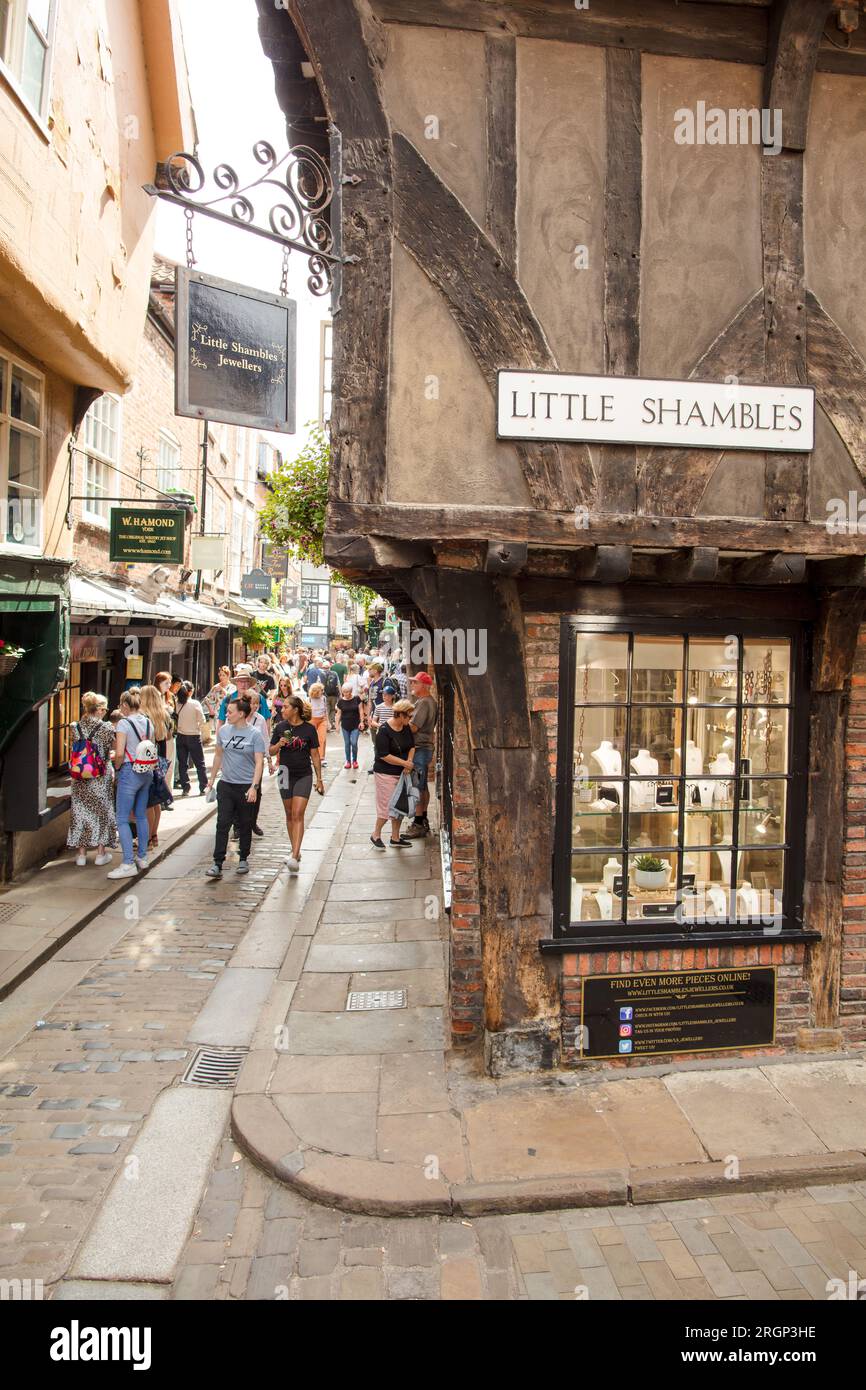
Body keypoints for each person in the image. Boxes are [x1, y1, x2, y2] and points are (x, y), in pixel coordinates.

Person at [205, 695, 265, 878]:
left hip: (246, 786)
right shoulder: (223, 731)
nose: (226, 714)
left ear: (241, 714)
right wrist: (211, 779)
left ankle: (243, 859)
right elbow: (218, 755)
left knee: (245, 824)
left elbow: (259, 762)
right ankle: (217, 863)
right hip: (227, 785)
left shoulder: (255, 734)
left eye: (230, 712)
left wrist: (254, 787)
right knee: (222, 823)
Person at [270, 693, 324, 873]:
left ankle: (294, 854)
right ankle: (296, 849)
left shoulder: (309, 729)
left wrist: (319, 779)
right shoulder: (280, 727)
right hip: (284, 773)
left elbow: (315, 755)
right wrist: (279, 744)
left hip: (303, 774)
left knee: (298, 812)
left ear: (295, 710)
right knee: (288, 814)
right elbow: (270, 751)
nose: (282, 709)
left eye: (285, 707)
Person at [107, 688, 154, 879]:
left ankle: (127, 863)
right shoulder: (148, 721)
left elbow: (119, 753)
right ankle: (142, 857)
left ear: (125, 706)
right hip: (147, 772)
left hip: (129, 771)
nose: (120, 709)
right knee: (141, 815)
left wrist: (117, 769)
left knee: (122, 818)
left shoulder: (123, 724)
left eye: (120, 705)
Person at [67, 691, 117, 868]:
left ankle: (81, 854)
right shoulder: (107, 728)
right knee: (101, 812)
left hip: (80, 775)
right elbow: (112, 749)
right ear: (100, 710)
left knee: (80, 812)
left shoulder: (75, 726)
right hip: (99, 776)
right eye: (104, 709)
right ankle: (100, 853)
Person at [371, 698, 415, 850]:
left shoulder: (406, 727)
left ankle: (395, 838)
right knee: (387, 806)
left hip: (402, 773)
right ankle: (376, 834)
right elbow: (383, 755)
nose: (410, 719)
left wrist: (409, 761)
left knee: (399, 806)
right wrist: (404, 763)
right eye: (409, 716)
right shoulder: (384, 730)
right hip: (385, 773)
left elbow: (411, 746)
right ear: (400, 715)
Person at [139, 684, 172, 849]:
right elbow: (167, 738)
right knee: (156, 801)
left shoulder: (144, 717)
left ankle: (148, 839)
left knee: (148, 803)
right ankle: (154, 835)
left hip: (147, 761)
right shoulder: (163, 715)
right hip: (159, 760)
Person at [405, 671, 437, 837]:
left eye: (415, 683)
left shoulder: (424, 702)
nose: (412, 685)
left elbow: (414, 727)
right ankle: (422, 819)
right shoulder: (427, 701)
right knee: (422, 786)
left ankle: (418, 823)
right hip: (424, 748)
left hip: (420, 748)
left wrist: (402, 723)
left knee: (417, 786)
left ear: (424, 685)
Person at [246, 689, 273, 838]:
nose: (255, 706)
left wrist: (269, 760)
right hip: (241, 762)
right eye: (252, 703)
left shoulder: (260, 719)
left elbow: (265, 739)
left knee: (257, 792)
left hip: (256, 762)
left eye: (257, 703)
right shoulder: (239, 717)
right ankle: (239, 824)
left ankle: (252, 822)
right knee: (241, 792)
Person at [175, 681, 208, 797]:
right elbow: (202, 720)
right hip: (193, 736)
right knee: (200, 763)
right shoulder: (195, 704)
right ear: (190, 691)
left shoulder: (176, 703)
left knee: (182, 764)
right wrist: (197, 727)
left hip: (180, 736)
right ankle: (203, 787)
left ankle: (185, 788)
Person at [216, 664, 271, 731]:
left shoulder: (259, 698)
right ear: (236, 683)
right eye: (240, 681)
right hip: (232, 738)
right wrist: (219, 740)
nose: (243, 684)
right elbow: (221, 722)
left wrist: (266, 740)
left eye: (246, 681)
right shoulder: (228, 699)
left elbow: (267, 720)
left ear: (250, 684)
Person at [154, 671, 178, 806]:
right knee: (160, 766)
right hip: (158, 735)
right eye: (166, 683)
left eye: (169, 683)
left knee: (169, 765)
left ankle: (167, 797)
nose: (169, 685)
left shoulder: (171, 697)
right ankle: (159, 798)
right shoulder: (154, 698)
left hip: (169, 734)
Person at [335, 683, 362, 769]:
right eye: (344, 692)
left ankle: (355, 761)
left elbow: (361, 710)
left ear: (351, 691)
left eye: (347, 692)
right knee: (347, 744)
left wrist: (362, 722)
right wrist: (337, 725)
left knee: (354, 743)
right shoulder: (341, 701)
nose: (345, 694)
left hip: (355, 725)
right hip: (345, 726)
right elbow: (338, 714)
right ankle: (348, 761)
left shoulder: (357, 699)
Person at [308, 681, 329, 767]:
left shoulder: (323, 698)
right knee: (312, 740)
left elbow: (325, 710)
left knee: (322, 738)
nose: (322, 692)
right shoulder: (309, 699)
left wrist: (328, 722)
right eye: (321, 690)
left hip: (322, 719)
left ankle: (321, 758)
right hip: (312, 720)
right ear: (316, 691)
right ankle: (312, 757)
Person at [323, 661, 341, 730]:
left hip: (325, 695)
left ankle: (328, 725)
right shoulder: (334, 673)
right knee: (333, 709)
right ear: (329, 667)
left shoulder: (321, 674)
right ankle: (331, 723)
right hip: (334, 694)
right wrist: (340, 694)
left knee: (327, 709)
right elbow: (338, 683)